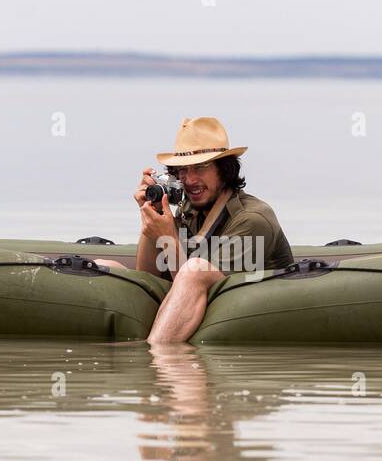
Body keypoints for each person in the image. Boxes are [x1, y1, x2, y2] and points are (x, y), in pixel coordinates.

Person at [118, 117, 292, 344]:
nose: (189, 180)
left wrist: (168, 238)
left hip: (256, 319)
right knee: (109, 267)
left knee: (195, 269)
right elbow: (149, 279)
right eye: (182, 170)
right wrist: (151, 214)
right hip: (200, 310)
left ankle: (154, 358)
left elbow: (196, 283)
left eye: (200, 168)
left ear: (224, 169)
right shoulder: (191, 210)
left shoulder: (252, 219)